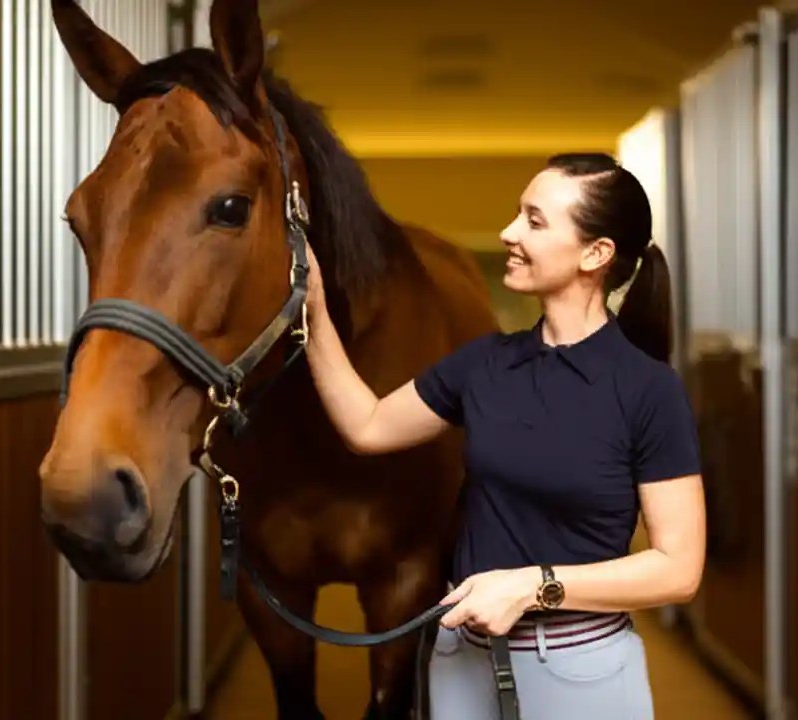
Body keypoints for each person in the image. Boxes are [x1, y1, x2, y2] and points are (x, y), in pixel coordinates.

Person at [301, 152, 706, 719]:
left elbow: (677, 568)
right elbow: (367, 426)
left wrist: (531, 587)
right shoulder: (485, 364)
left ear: (597, 253)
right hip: (462, 663)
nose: (508, 232)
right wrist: (313, 309)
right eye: (519, 214)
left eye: (535, 221)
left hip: (579, 669)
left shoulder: (647, 390)